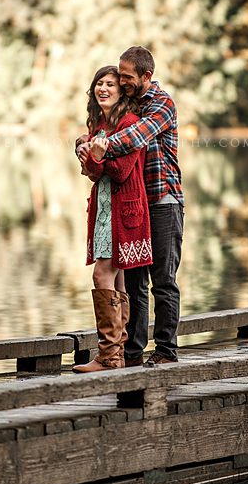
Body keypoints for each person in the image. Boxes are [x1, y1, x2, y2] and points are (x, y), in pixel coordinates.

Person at [78, 46, 184, 366]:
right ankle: (132, 353)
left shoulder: (162, 105)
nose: (121, 82)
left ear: (145, 77)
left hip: (163, 200)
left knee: (163, 281)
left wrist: (99, 147)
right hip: (135, 205)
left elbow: (137, 136)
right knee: (135, 284)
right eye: (119, 76)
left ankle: (165, 351)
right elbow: (104, 131)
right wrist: (84, 143)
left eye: (127, 77)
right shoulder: (131, 104)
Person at [73, 65, 152, 373]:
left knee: (101, 276)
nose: (103, 88)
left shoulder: (130, 123)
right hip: (103, 209)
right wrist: (93, 156)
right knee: (117, 281)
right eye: (99, 84)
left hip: (125, 211)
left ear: (121, 91)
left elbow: (120, 172)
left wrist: (96, 157)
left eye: (110, 84)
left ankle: (107, 355)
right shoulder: (99, 126)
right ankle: (116, 356)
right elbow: (91, 172)